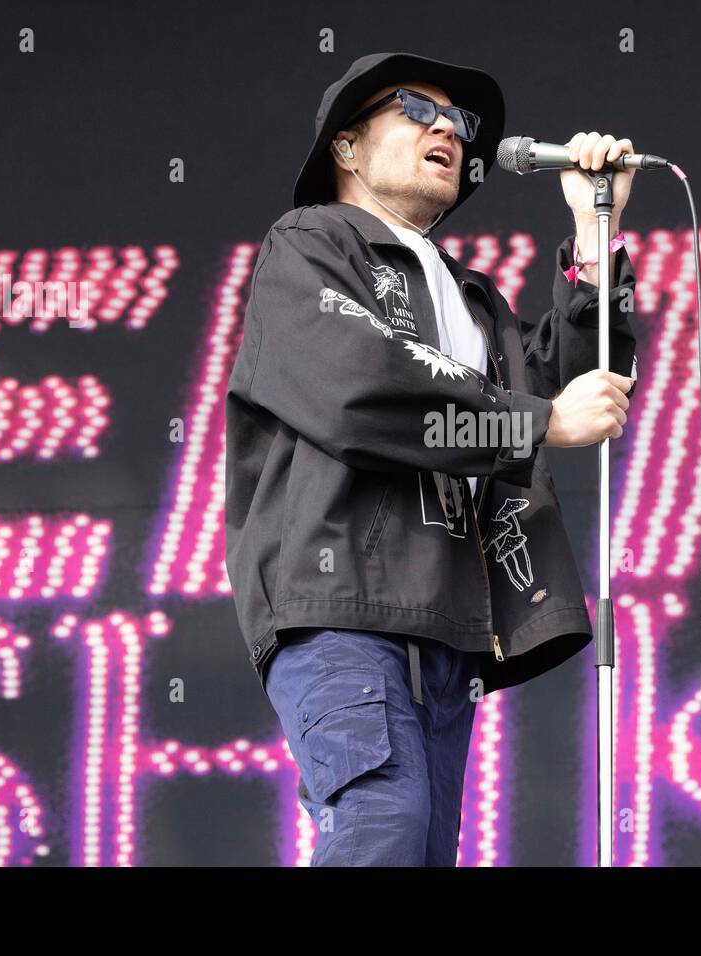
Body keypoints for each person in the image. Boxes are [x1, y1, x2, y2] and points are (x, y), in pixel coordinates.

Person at [224, 51, 640, 866]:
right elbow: (358, 386)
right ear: (346, 147)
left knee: (414, 848)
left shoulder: (469, 295)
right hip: (342, 605)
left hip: (445, 626)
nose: (447, 124)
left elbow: (572, 386)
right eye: (415, 107)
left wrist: (597, 229)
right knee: (383, 823)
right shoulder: (309, 242)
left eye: (461, 119)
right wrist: (535, 421)